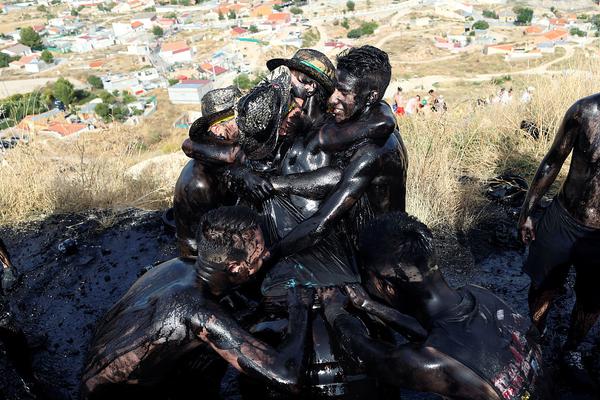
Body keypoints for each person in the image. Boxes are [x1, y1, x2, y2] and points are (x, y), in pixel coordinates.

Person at [81, 206, 314, 399]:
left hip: (99, 369)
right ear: (233, 266)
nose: (265, 256)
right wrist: (299, 308)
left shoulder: (180, 264)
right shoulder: (196, 309)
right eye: (260, 252)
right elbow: (288, 377)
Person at [321, 212, 547, 400]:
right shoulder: (480, 295)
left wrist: (334, 310)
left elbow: (364, 354)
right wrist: (369, 305)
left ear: (385, 285)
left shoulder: (429, 363)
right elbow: (446, 340)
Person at [518, 93, 600, 383]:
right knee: (543, 285)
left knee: (592, 301)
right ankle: (535, 338)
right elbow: (553, 160)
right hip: (564, 218)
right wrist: (528, 209)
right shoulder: (585, 112)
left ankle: (572, 351)